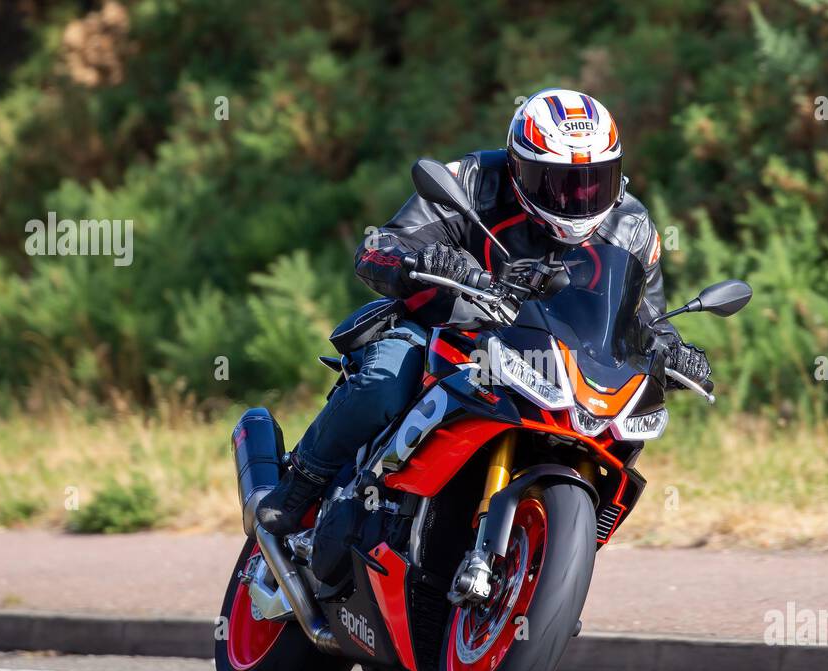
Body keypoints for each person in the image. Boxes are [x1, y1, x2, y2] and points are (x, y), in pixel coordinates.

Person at [257, 88, 712, 534]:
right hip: (447, 331)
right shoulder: (473, 181)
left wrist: (674, 354)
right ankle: (301, 484)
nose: (579, 198)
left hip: (556, 361)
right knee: (386, 377)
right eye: (559, 183)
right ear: (519, 169)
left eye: (595, 180)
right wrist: (426, 260)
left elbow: (642, 322)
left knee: (622, 423)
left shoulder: (631, 227)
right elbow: (379, 247)